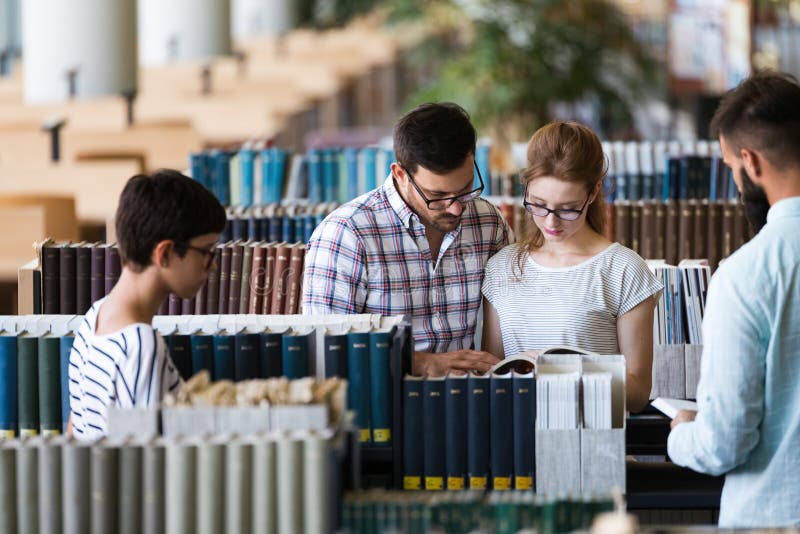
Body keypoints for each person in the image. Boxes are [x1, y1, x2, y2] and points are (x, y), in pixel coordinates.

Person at [668, 71, 800, 527]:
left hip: (772, 515)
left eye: (730, 168)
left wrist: (683, 432)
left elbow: (723, 443)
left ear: (751, 161)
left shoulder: (746, 275)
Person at [303, 102, 510, 376]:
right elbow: (324, 348)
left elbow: (510, 324)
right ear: (400, 174)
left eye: (465, 189)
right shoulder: (346, 234)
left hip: (470, 399)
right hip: (383, 401)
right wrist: (421, 363)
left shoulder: (488, 222)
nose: (456, 208)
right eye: (437, 196)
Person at [481, 121, 661, 412]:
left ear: (593, 193)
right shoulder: (502, 266)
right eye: (538, 204)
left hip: (590, 440)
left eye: (567, 208)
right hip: (513, 437)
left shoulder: (623, 269)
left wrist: (559, 372)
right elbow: (491, 372)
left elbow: (639, 393)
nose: (551, 222)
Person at [68, 169, 226, 441]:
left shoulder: (95, 315)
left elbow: (73, 427)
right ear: (164, 253)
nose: (213, 265)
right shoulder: (140, 345)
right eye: (206, 251)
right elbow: (144, 464)